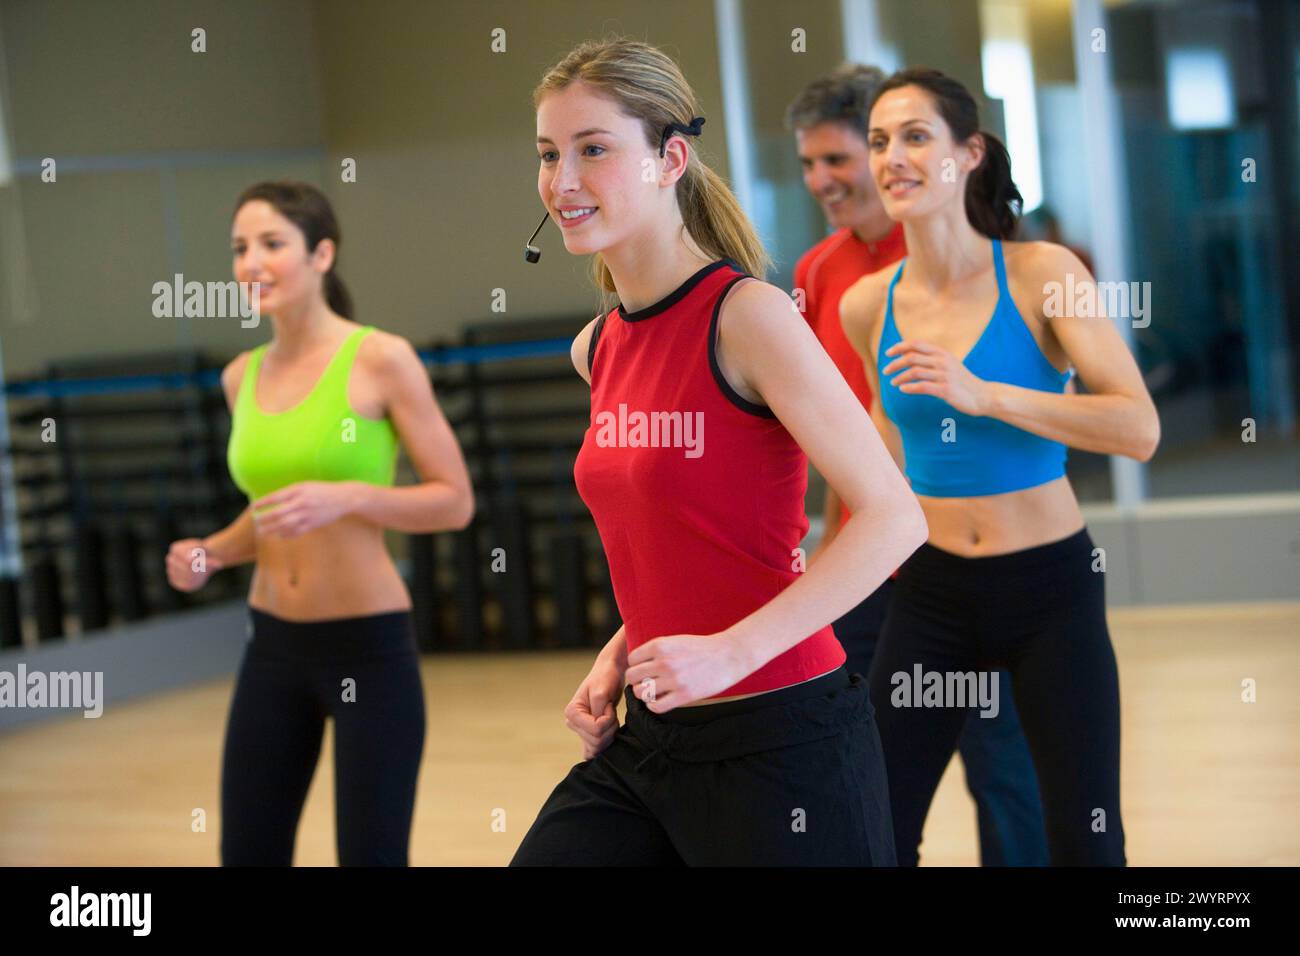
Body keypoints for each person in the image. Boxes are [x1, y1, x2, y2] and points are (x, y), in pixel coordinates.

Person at [510, 38, 926, 867]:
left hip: (784, 735)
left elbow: (894, 520)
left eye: (594, 150)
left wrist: (731, 652)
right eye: (550, 155)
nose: (563, 182)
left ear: (671, 159)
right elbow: (688, 542)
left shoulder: (749, 316)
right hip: (652, 737)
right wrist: (621, 649)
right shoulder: (597, 348)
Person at [841, 68, 1159, 866]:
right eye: (879, 141)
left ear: (968, 153)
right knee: (876, 827)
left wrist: (989, 396)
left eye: (916, 136)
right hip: (932, 593)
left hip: (1049, 589)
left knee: (1085, 839)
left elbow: (1138, 426)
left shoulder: (1046, 274)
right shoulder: (866, 304)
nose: (893, 158)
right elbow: (885, 454)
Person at [165, 181, 474, 866]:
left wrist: (351, 499)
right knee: (248, 853)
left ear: (322, 254)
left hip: (368, 648)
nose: (252, 262)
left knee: (369, 857)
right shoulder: (239, 378)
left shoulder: (381, 359)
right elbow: (270, 513)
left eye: (272, 244)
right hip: (272, 648)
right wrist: (211, 552)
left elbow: (454, 500)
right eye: (241, 248)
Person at [788, 63, 1049, 866]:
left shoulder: (957, 257)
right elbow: (843, 440)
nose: (824, 179)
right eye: (811, 163)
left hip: (962, 566)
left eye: (838, 157)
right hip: (872, 571)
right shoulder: (817, 273)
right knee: (867, 769)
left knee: (1002, 766)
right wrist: (824, 558)